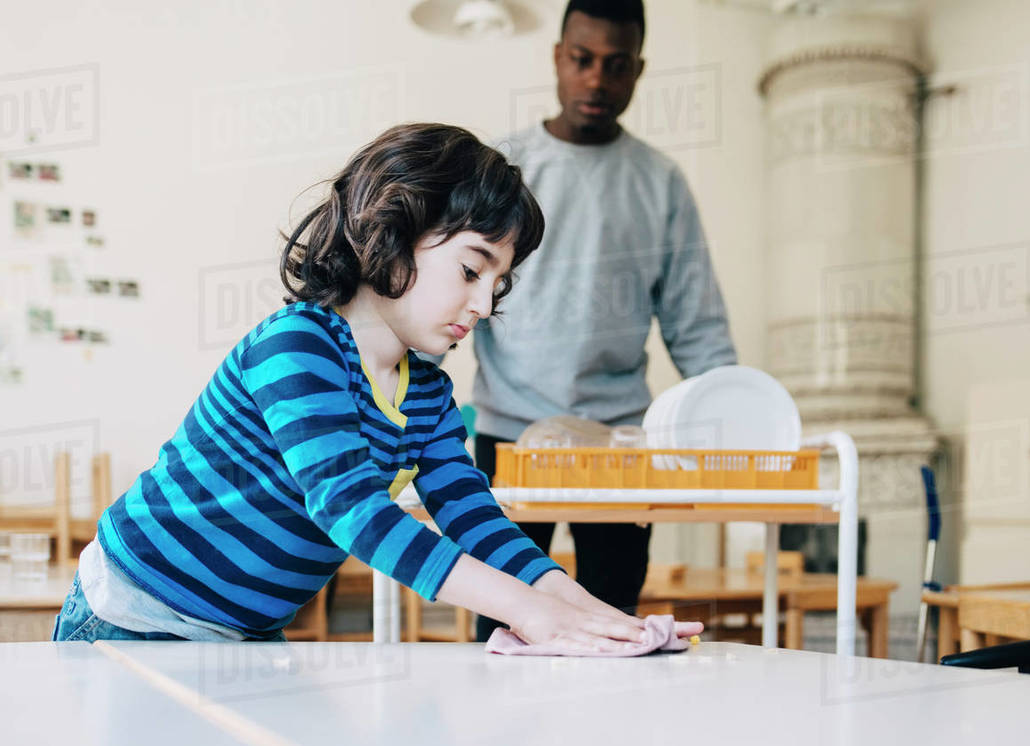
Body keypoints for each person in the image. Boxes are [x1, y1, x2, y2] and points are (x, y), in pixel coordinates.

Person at [51, 123, 658, 650]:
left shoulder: (427, 394)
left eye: (496, 285)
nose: (482, 304)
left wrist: (587, 609)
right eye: (472, 270)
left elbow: (474, 516)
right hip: (137, 612)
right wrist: (529, 611)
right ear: (394, 231)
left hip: (241, 630)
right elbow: (353, 511)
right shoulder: (298, 346)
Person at [470, 0, 737, 642]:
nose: (596, 80)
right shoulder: (501, 166)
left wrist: (735, 418)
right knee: (502, 631)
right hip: (507, 439)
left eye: (615, 66)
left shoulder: (660, 182)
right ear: (558, 58)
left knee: (614, 625)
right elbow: (455, 291)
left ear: (637, 72)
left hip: (618, 444)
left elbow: (696, 323)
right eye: (583, 60)